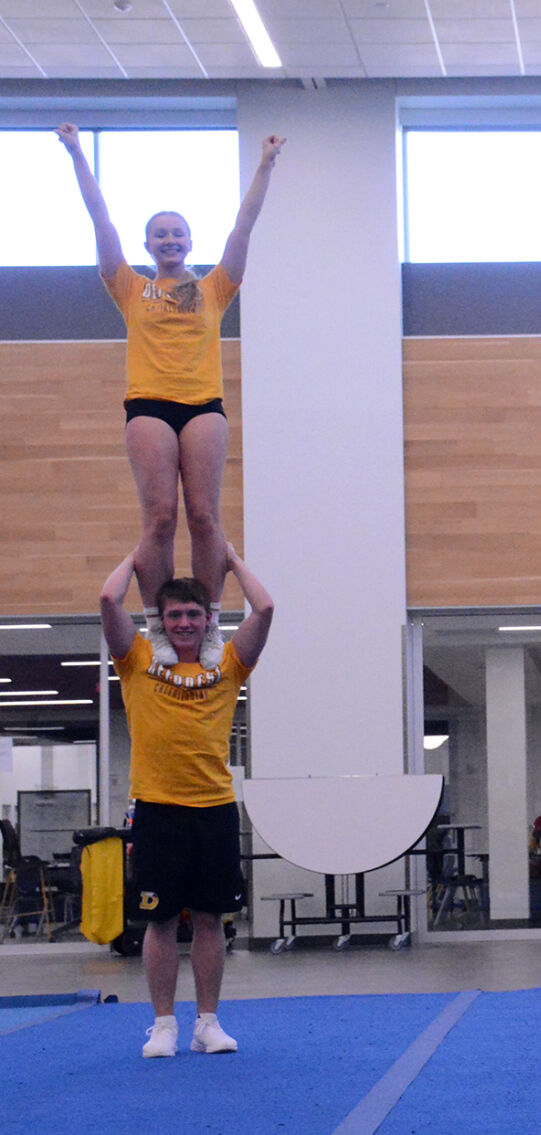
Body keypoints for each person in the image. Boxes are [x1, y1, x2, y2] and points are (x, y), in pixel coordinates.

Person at [57, 123, 286, 670]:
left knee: (204, 516)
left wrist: (265, 165)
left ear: (189, 241)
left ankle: (206, 621)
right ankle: (161, 623)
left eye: (176, 233)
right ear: (147, 245)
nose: (168, 239)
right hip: (149, 407)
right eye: (159, 234)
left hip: (203, 405)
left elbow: (245, 225)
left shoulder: (214, 287)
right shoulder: (130, 286)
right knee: (160, 517)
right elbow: (100, 218)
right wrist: (77, 154)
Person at [100, 543, 274, 1058]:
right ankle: (162, 1026)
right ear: (162, 620)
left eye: (193, 614)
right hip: (156, 808)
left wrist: (235, 559)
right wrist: (141, 550)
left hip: (215, 809)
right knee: (158, 920)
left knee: (209, 918)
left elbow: (264, 609)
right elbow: (108, 600)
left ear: (207, 620)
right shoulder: (138, 662)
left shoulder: (229, 665)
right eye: (173, 614)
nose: (183, 622)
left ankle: (207, 1023)